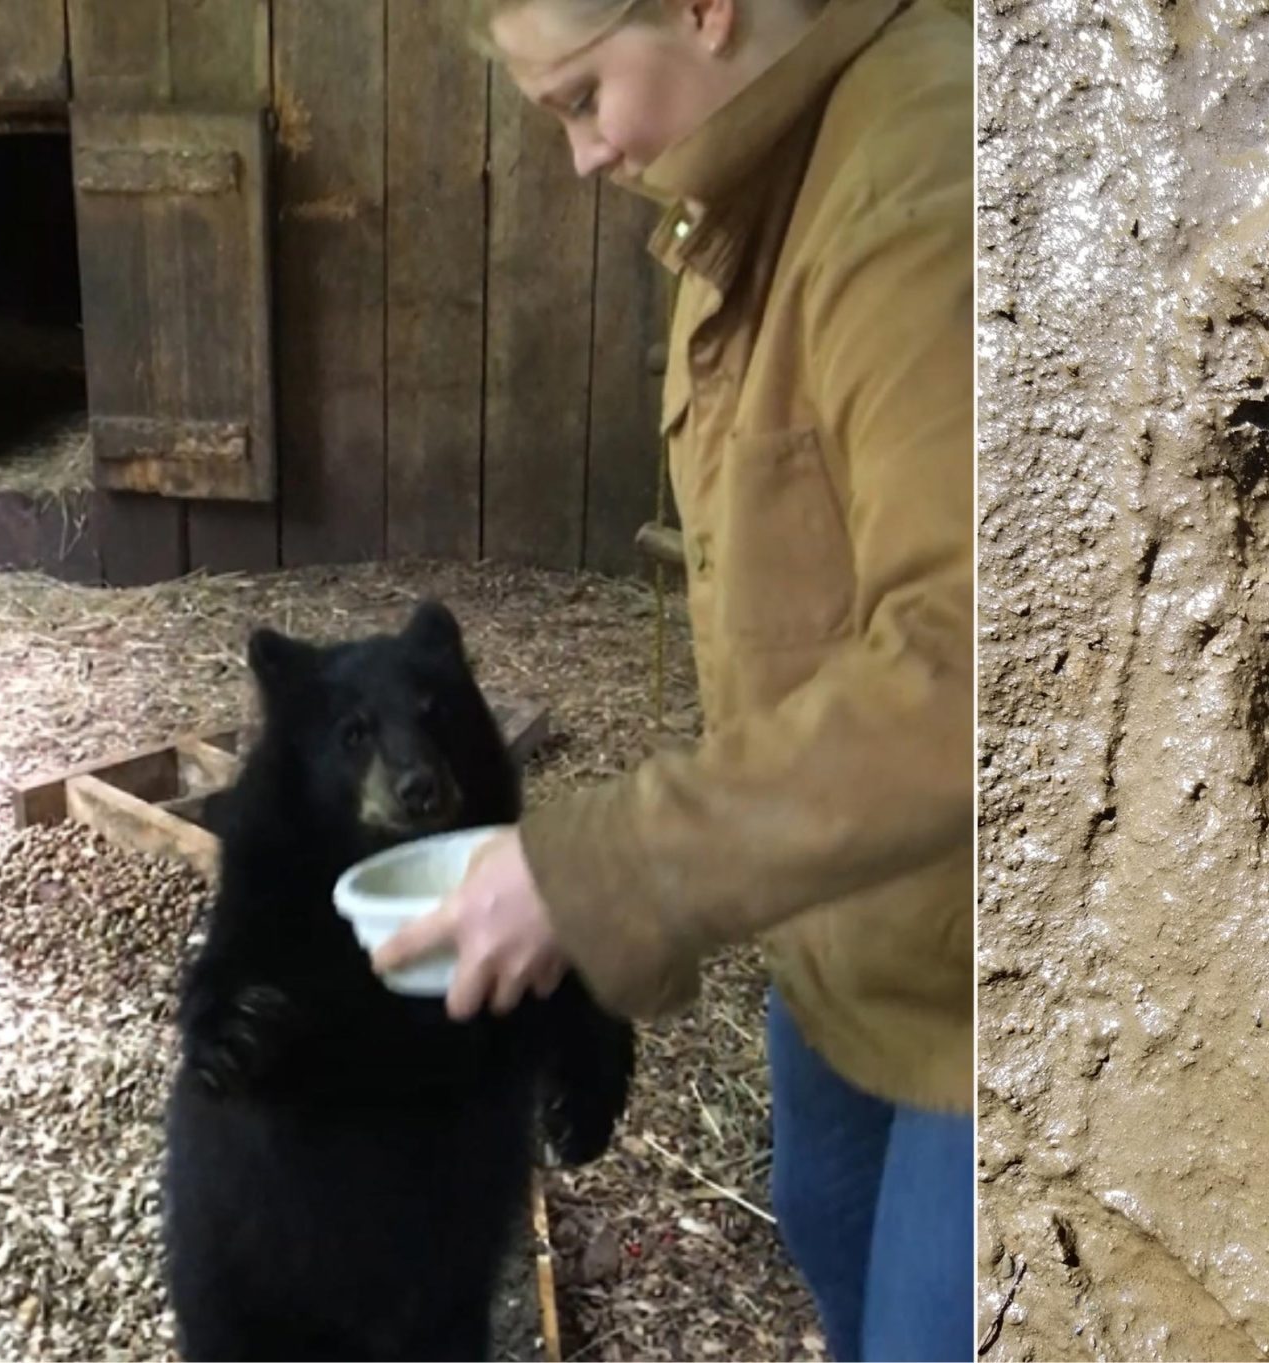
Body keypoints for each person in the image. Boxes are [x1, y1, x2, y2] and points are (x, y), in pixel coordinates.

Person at [372, 0, 973, 1356]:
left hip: (984, 996)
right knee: (831, 1238)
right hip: (845, 922)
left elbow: (976, 669)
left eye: (585, 98)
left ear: (707, 10)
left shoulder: (921, 181)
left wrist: (606, 871)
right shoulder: (753, 184)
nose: (585, 155)